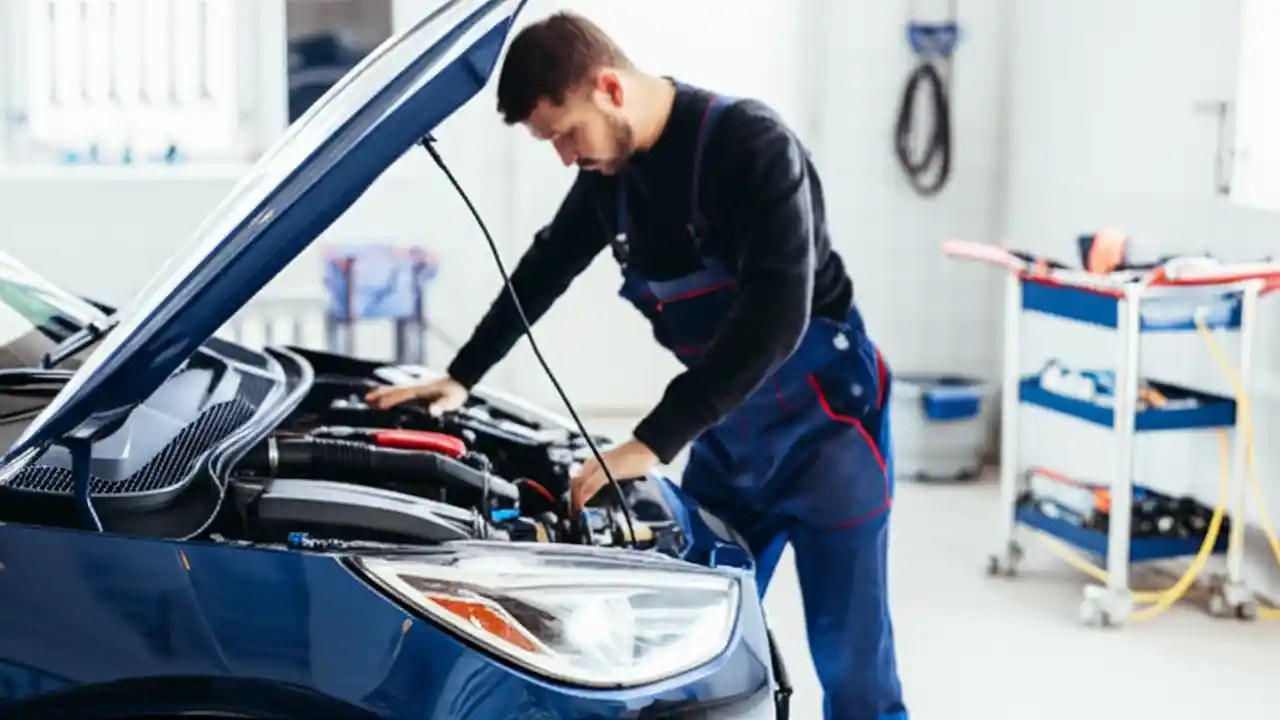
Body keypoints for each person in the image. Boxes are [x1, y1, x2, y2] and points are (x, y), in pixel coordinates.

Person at [365, 11, 907, 720]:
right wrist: (463, 374)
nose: (563, 156)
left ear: (609, 88)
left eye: (564, 133)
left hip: (828, 428)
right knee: (685, 645)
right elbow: (545, 268)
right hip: (730, 431)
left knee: (851, 657)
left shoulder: (751, 145)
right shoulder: (610, 176)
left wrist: (650, 443)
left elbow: (778, 315)